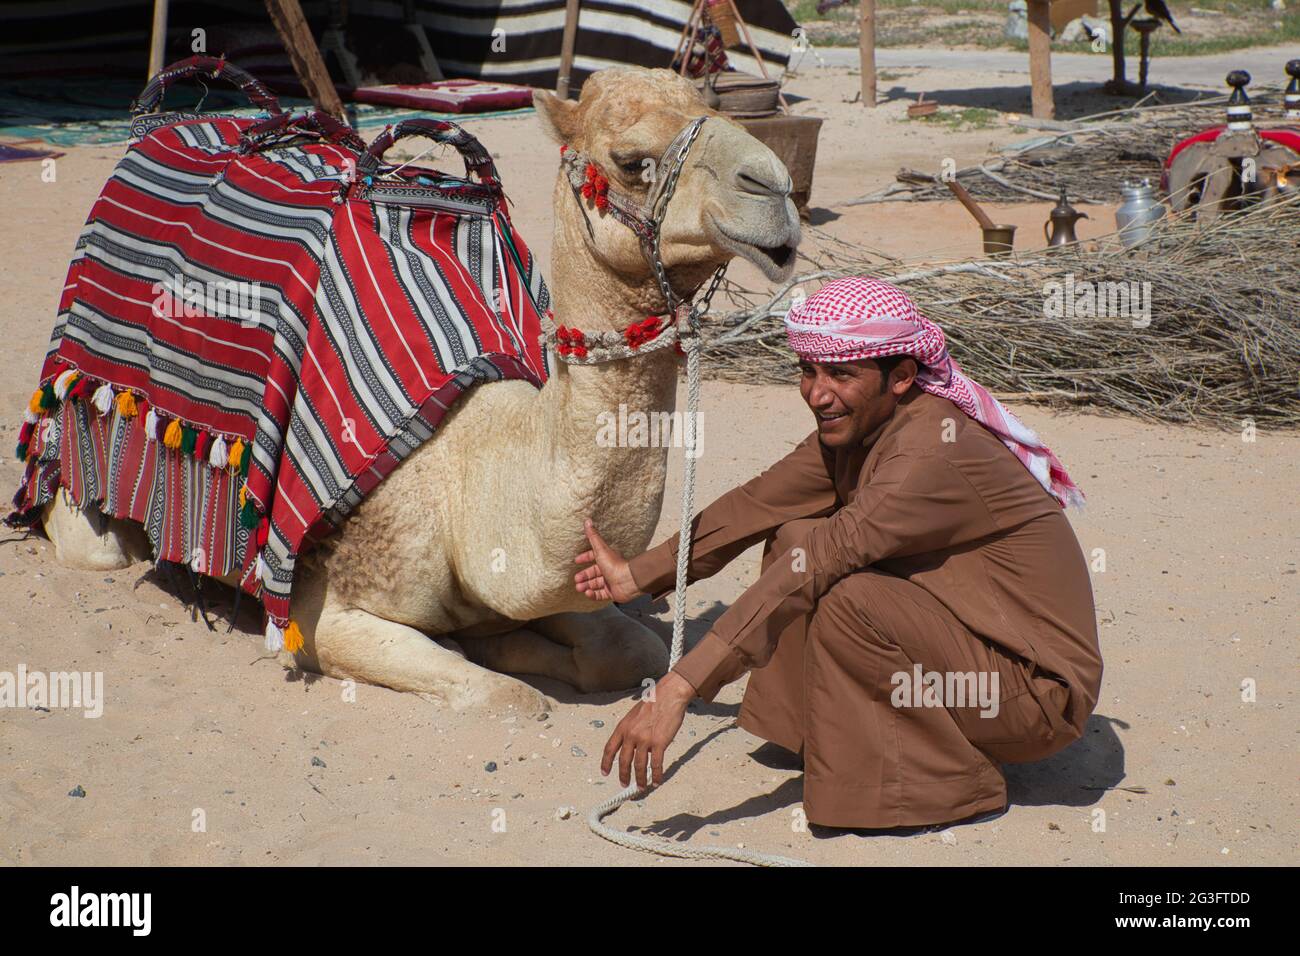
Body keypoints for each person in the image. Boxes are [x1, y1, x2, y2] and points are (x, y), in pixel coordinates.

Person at [573, 276, 1103, 829]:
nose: (817, 394)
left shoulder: (932, 453)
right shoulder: (863, 424)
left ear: (900, 376)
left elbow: (824, 561)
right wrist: (639, 575)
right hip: (976, 648)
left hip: (1034, 695)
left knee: (844, 592)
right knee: (791, 536)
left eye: (840, 373)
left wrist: (679, 686)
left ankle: (944, 782)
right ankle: (825, 733)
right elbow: (757, 504)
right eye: (809, 370)